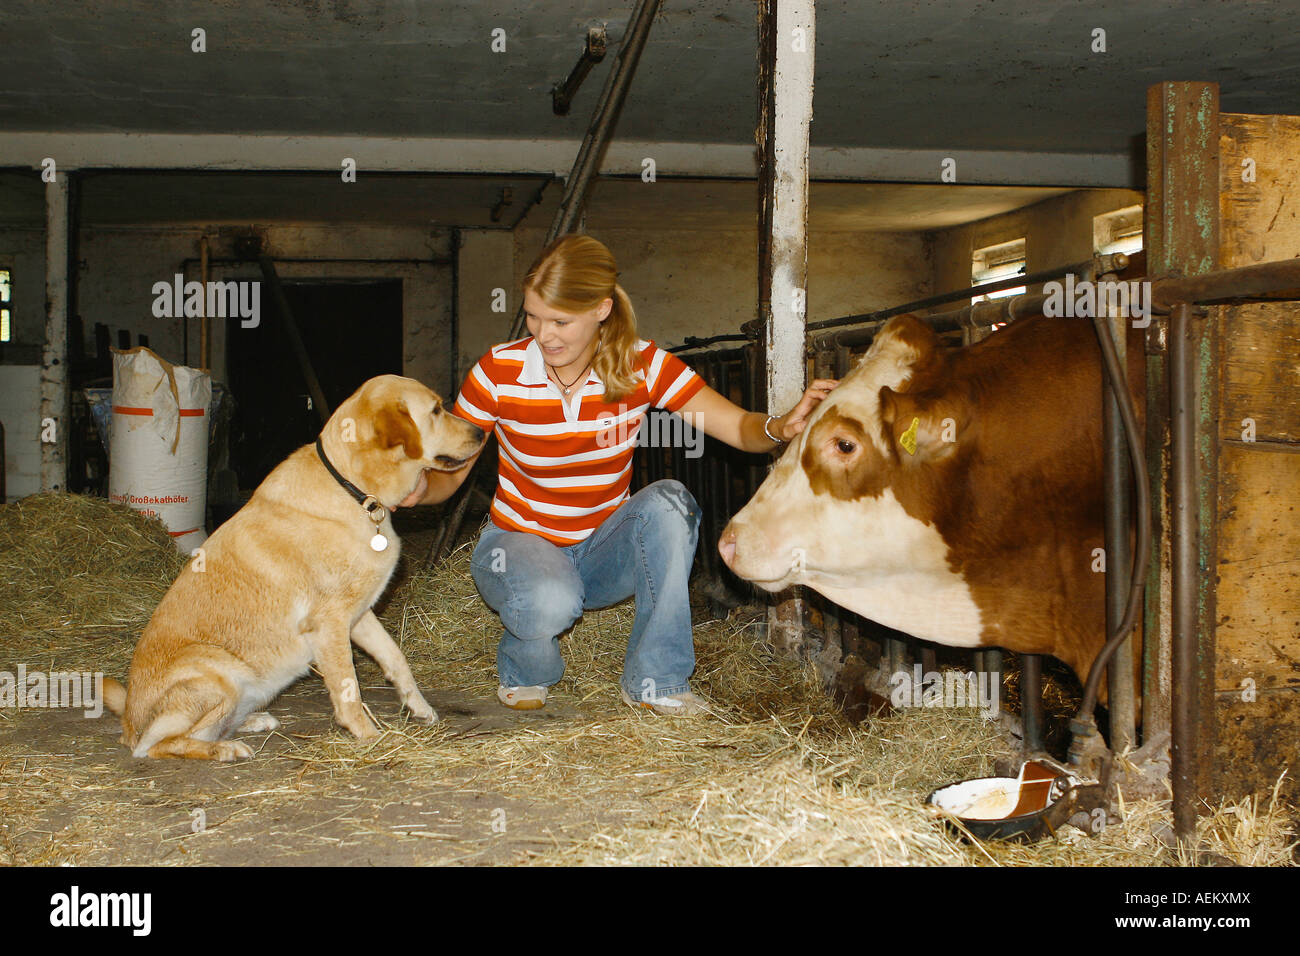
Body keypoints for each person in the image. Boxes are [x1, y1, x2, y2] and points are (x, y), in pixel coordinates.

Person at [399, 235, 836, 716]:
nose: (545, 335)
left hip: (602, 551)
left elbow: (736, 427)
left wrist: (780, 426)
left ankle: (656, 680)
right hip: (519, 543)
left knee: (672, 502)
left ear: (602, 309)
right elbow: (451, 475)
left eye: (561, 321)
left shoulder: (642, 366)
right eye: (534, 317)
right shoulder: (497, 373)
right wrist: (415, 488)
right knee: (549, 600)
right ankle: (527, 668)